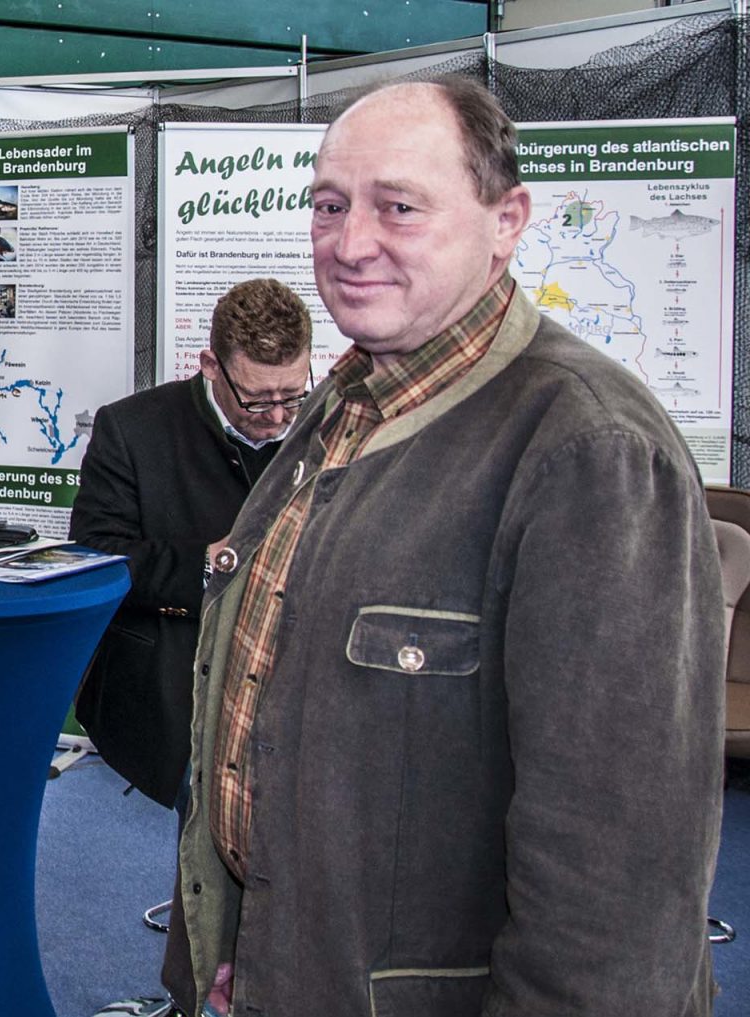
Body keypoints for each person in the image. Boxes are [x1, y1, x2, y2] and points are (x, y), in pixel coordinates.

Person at [165, 77, 724, 1017]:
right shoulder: (347, 402)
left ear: (506, 220)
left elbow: (616, 872)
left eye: (399, 207)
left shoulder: (590, 450)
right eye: (331, 205)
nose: (349, 244)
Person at [71, 277, 311, 811]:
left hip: (301, 685)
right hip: (182, 685)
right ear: (209, 365)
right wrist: (205, 564)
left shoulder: (327, 428)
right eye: (256, 399)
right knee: (201, 843)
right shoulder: (133, 429)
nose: (277, 417)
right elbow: (94, 554)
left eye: (292, 395)